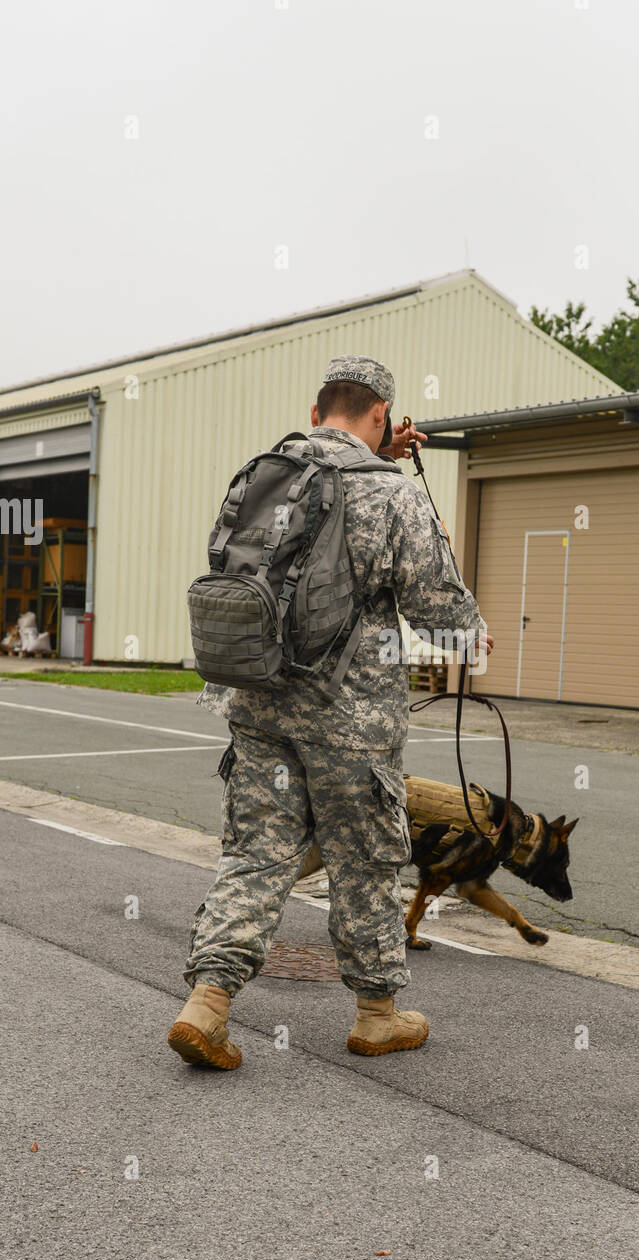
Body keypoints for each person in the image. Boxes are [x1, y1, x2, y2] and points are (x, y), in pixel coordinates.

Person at [168, 355, 491, 1068]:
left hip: (256, 699)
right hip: (352, 721)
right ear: (380, 415)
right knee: (365, 859)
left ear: (318, 413)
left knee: (255, 855)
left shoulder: (263, 476)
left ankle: (208, 1005)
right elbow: (440, 614)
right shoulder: (393, 493)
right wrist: (470, 630)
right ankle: (377, 1014)